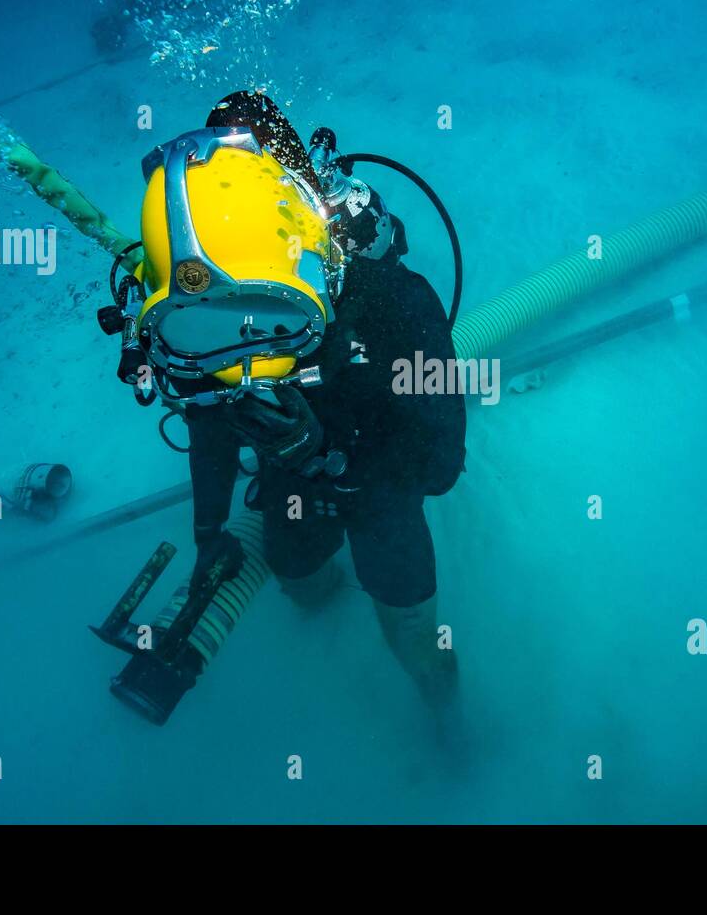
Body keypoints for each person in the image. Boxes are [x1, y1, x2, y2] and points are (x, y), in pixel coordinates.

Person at [114, 91, 466, 732]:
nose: (250, 343)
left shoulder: (396, 302)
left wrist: (337, 460)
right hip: (292, 487)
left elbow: (442, 461)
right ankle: (329, 614)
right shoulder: (208, 315)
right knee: (301, 580)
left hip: (382, 499)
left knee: (416, 639)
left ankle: (448, 723)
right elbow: (208, 424)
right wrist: (208, 530)